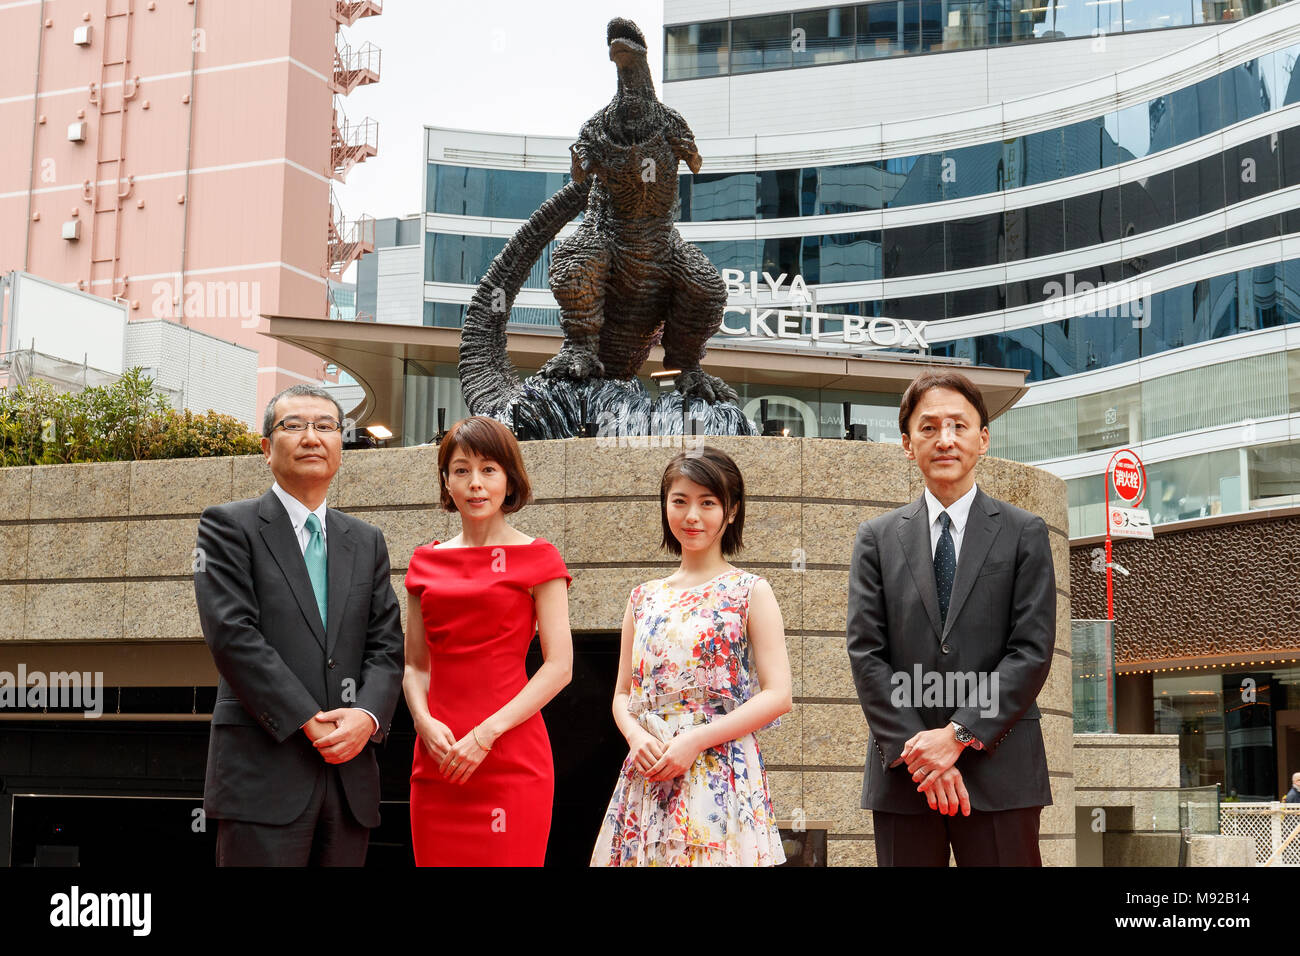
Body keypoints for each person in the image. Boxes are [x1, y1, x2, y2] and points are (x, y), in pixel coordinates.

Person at [846, 370, 1056, 866]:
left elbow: (1030, 650)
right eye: (929, 427)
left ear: (983, 439)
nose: (945, 439)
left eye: (959, 426)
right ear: (906, 443)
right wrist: (923, 756)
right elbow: (866, 654)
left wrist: (957, 735)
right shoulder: (876, 539)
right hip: (905, 774)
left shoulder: (1024, 532)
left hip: (1002, 770)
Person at [194, 384, 405, 866]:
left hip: (349, 779)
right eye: (294, 426)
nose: (312, 437)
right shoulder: (228, 527)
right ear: (267, 449)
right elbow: (233, 636)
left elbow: (387, 647)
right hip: (263, 776)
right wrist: (310, 722)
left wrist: (366, 717)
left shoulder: (366, 541)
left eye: (326, 427)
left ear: (340, 449)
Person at [591, 446, 792, 866]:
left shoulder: (750, 591)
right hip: (649, 770)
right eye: (679, 501)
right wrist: (635, 736)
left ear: (731, 511)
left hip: (719, 771)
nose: (692, 516)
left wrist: (695, 740)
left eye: (708, 503)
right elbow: (622, 693)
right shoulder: (642, 597)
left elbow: (778, 695)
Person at [403, 416, 573, 866]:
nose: (475, 484)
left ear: (509, 479)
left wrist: (487, 733)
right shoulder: (424, 563)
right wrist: (421, 720)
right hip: (438, 759)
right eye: (461, 470)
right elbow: (415, 666)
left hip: (510, 760)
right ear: (446, 481)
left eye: (489, 469)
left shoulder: (539, 557)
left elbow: (559, 667)